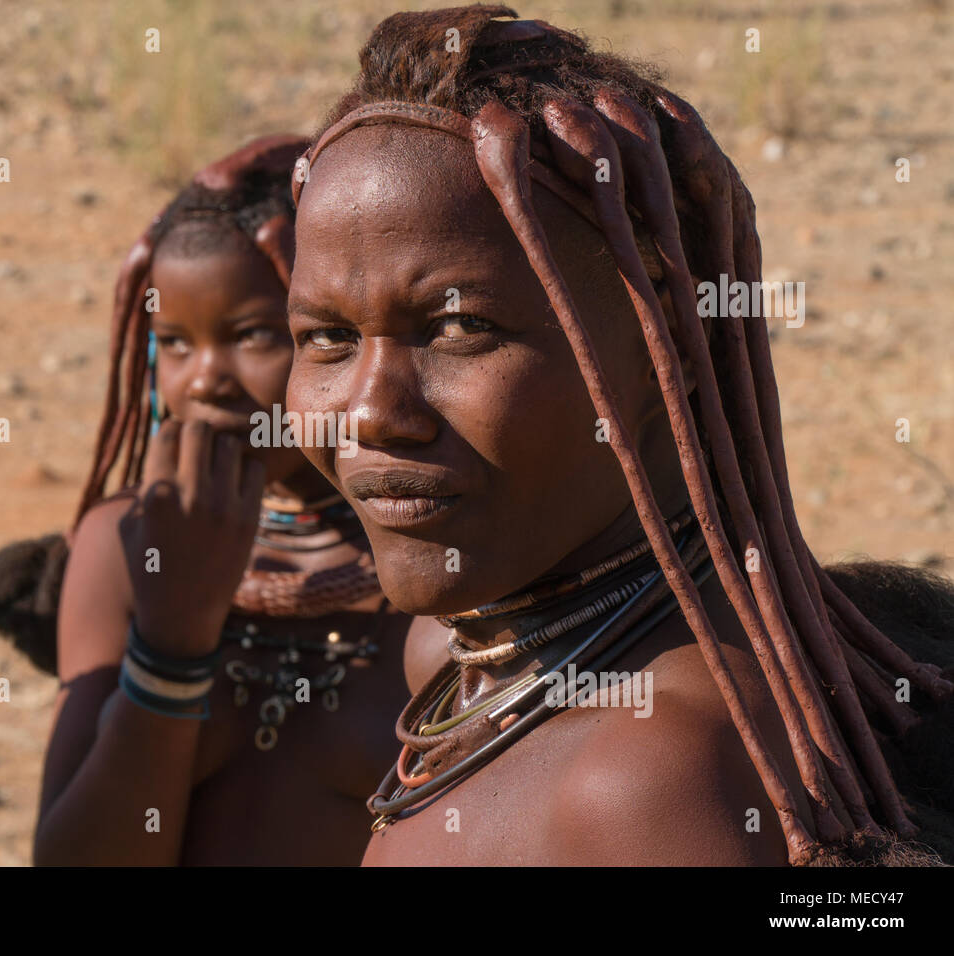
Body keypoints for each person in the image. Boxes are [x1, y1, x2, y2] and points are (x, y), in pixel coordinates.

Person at [284, 7, 954, 865]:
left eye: (461, 329)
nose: (371, 411)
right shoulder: (469, 658)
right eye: (328, 338)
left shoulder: (650, 785)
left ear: (664, 341)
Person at [0, 136, 414, 865]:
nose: (204, 380)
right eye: (173, 343)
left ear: (342, 333)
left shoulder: (427, 556)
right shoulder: (124, 546)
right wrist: (172, 642)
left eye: (255, 335)